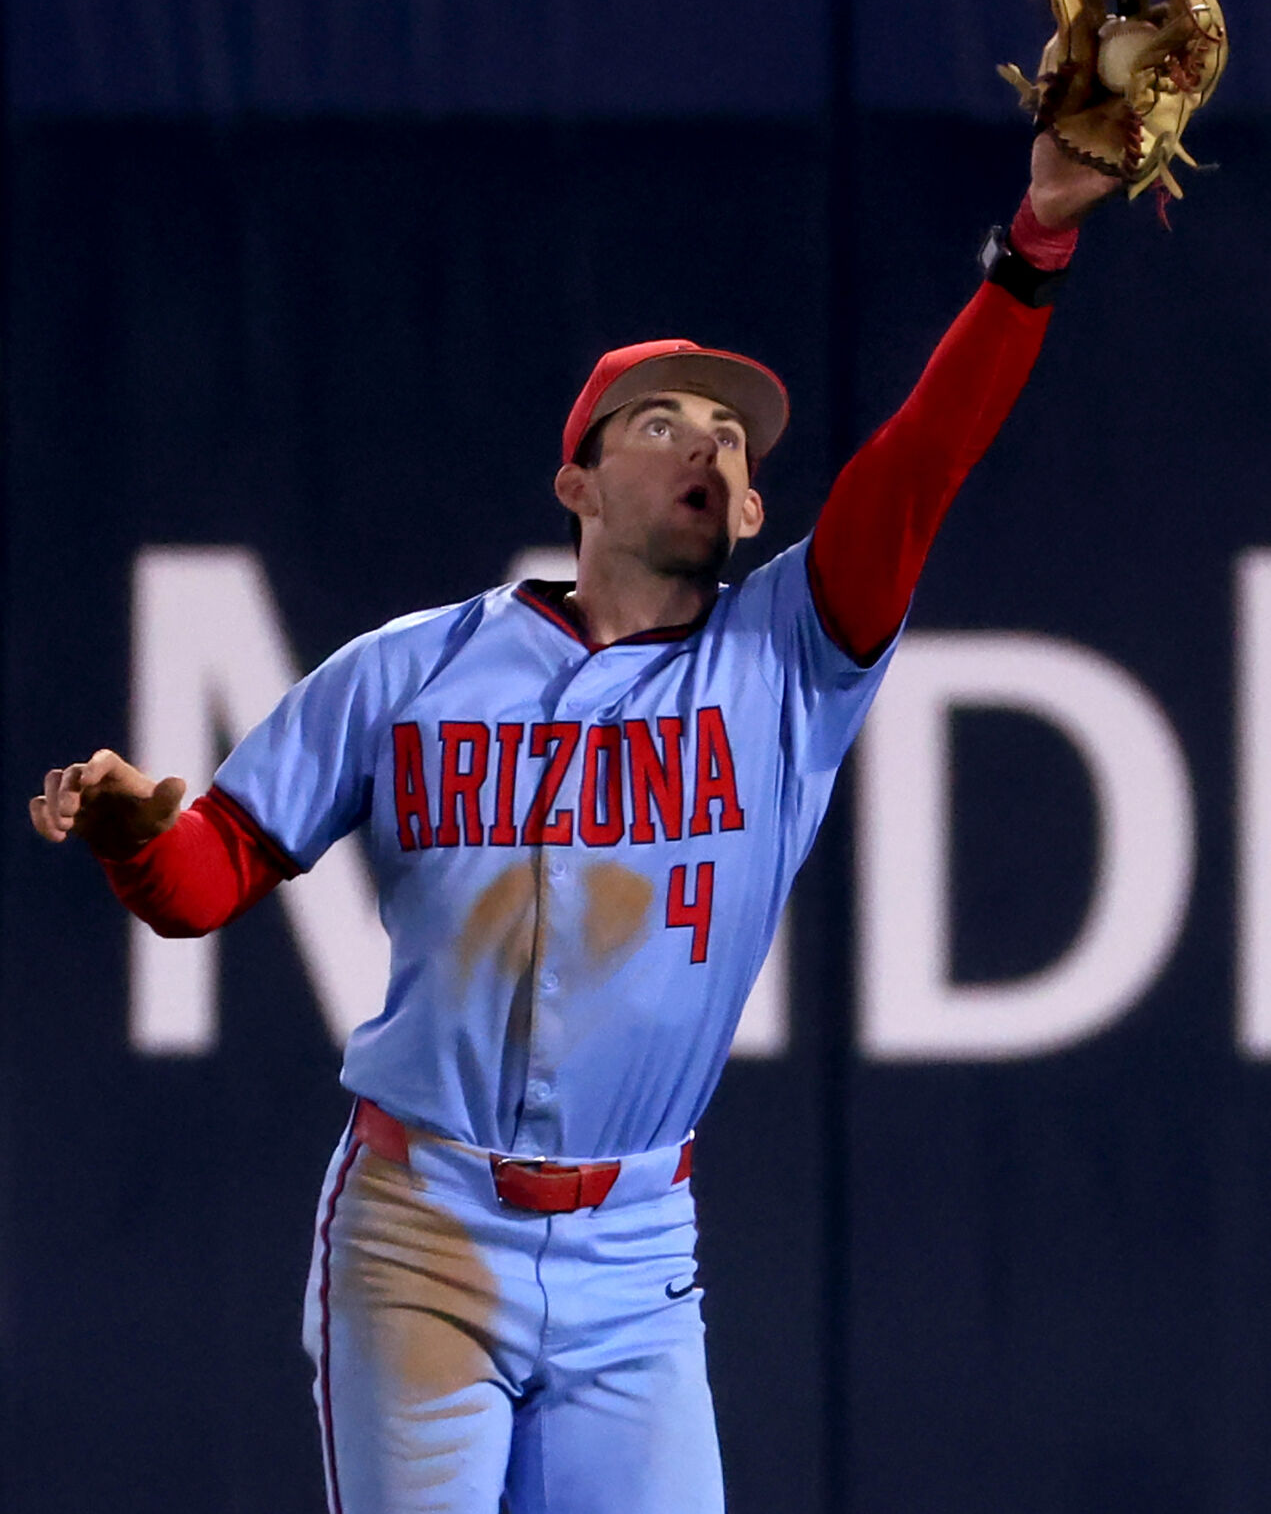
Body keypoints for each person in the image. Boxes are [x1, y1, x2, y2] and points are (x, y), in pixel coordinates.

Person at [31, 134, 1117, 1514]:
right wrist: (135, 827)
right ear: (577, 485)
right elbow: (202, 883)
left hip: (637, 1255)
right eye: (664, 423)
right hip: (421, 1234)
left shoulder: (789, 659)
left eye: (732, 439)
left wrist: (1035, 248)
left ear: (761, 505)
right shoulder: (414, 667)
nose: (709, 447)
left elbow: (925, 459)